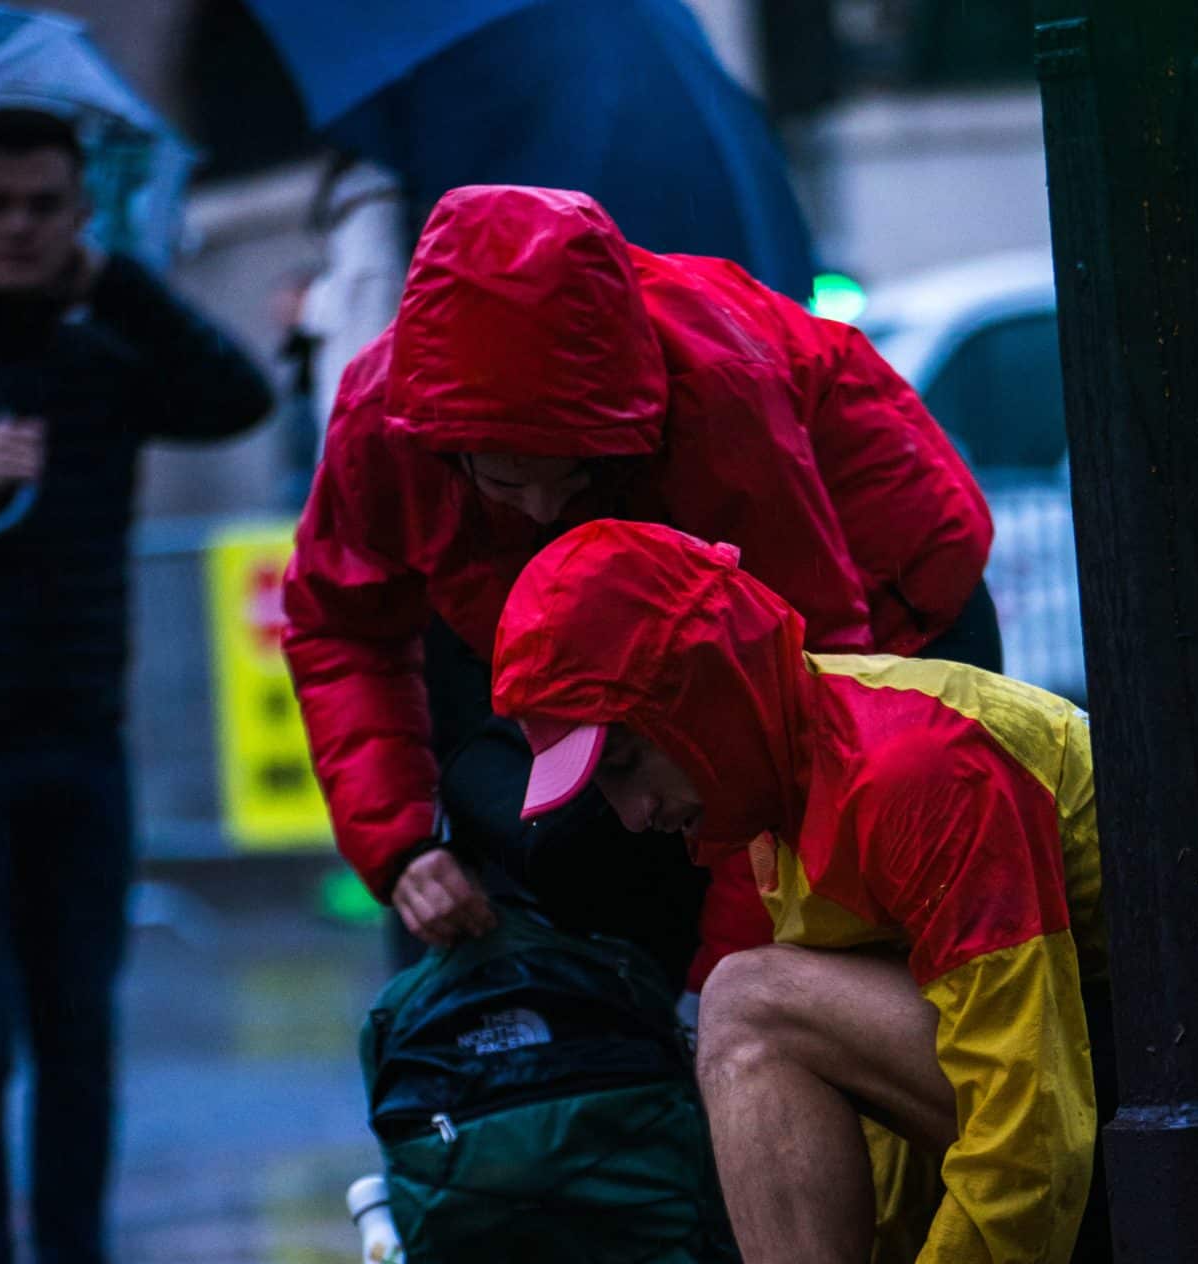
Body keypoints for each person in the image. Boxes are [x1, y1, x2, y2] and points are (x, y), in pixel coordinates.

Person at [490, 520, 1117, 1264]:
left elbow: (1035, 1119)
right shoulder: (788, 799)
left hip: (1162, 1155)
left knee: (746, 1001)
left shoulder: (921, 762)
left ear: (699, 693)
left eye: (627, 763)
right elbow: (886, 1106)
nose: (629, 814)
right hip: (1101, 1153)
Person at [282, 183, 998, 993]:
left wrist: (725, 987)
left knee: (881, 919)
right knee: (605, 854)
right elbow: (340, 628)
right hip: (699, 630)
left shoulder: (715, 390)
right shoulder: (384, 424)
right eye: (509, 483)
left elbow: (803, 709)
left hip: (890, 598)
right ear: (447, 449)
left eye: (573, 473)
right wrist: (401, 843)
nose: (545, 513)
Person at [0, 108, 273, 1264]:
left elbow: (236, 393)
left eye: (44, 204)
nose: (19, 228)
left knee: (78, 1031)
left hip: (81, 747)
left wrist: (116, 278)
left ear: (76, 211)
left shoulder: (101, 348)